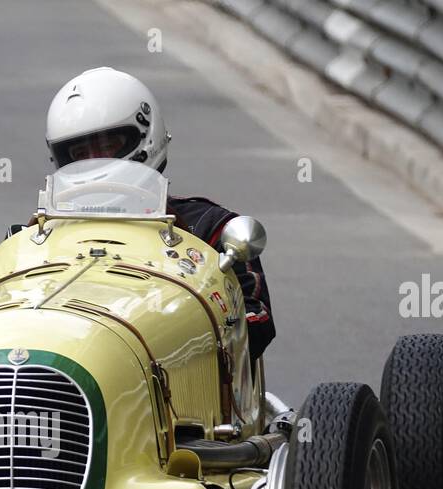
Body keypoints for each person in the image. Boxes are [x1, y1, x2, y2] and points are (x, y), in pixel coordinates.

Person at [45, 67, 274, 360]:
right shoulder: (42, 235)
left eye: (107, 146)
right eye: (80, 154)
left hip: (182, 385)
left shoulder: (211, 229)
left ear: (144, 136)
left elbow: (256, 325)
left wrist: (179, 328)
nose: (95, 162)